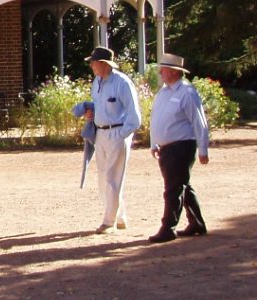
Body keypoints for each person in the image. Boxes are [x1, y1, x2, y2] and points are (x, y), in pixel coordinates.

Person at [147, 53, 210, 243]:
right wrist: (154, 142)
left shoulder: (187, 92)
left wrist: (203, 149)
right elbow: (156, 119)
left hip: (182, 146)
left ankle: (168, 227)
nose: (160, 72)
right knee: (182, 185)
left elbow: (199, 122)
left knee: (173, 188)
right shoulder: (164, 92)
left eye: (164, 69)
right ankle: (197, 223)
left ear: (174, 72)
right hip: (166, 148)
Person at [81, 46, 141, 234]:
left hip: (117, 133)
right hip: (100, 134)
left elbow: (134, 116)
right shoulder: (97, 82)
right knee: (102, 178)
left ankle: (109, 221)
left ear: (104, 64)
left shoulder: (122, 83)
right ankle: (119, 216)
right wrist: (90, 114)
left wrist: (121, 135)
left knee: (112, 178)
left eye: (94, 62)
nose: (91, 65)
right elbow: (99, 106)